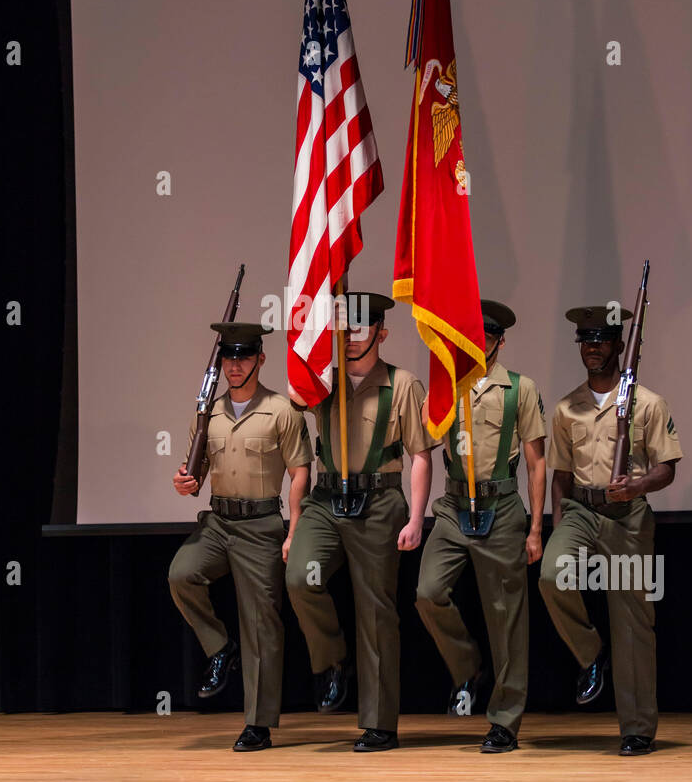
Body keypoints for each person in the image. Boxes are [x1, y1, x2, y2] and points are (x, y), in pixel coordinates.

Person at [285, 292, 436, 752]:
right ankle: (332, 661)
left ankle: (379, 723)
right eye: (344, 329)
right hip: (327, 499)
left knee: (376, 611)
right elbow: (294, 402)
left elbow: (421, 455)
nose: (350, 338)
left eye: (361, 329)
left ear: (381, 333)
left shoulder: (402, 384)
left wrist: (416, 516)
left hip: (378, 501)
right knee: (299, 578)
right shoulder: (323, 382)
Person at [538, 305, 683, 756]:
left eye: (601, 340)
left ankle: (637, 729)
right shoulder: (567, 407)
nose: (592, 348)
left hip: (629, 517)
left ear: (620, 345)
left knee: (634, 622)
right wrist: (558, 528)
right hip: (582, 509)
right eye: (585, 341)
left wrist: (635, 485)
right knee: (551, 575)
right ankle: (590, 654)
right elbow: (560, 474)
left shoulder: (649, 403)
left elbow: (667, 469)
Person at [168, 322, 312, 751]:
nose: (234, 366)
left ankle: (258, 723)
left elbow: (300, 470)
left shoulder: (281, 410)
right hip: (218, 521)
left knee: (261, 623)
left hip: (261, 526)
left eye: (244, 357)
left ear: (259, 360)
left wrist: (295, 531)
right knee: (182, 575)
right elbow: (195, 472)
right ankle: (220, 646)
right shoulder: (206, 413)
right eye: (228, 358)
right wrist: (184, 481)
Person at [415, 300, 547, 752]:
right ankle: (469, 667)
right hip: (453, 506)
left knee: (506, 617)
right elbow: (422, 448)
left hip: (502, 504)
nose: (480, 343)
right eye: (473, 335)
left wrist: (535, 528)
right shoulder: (446, 385)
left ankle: (505, 721)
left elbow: (536, 461)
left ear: (499, 341)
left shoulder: (519, 389)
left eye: (487, 337)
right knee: (428, 593)